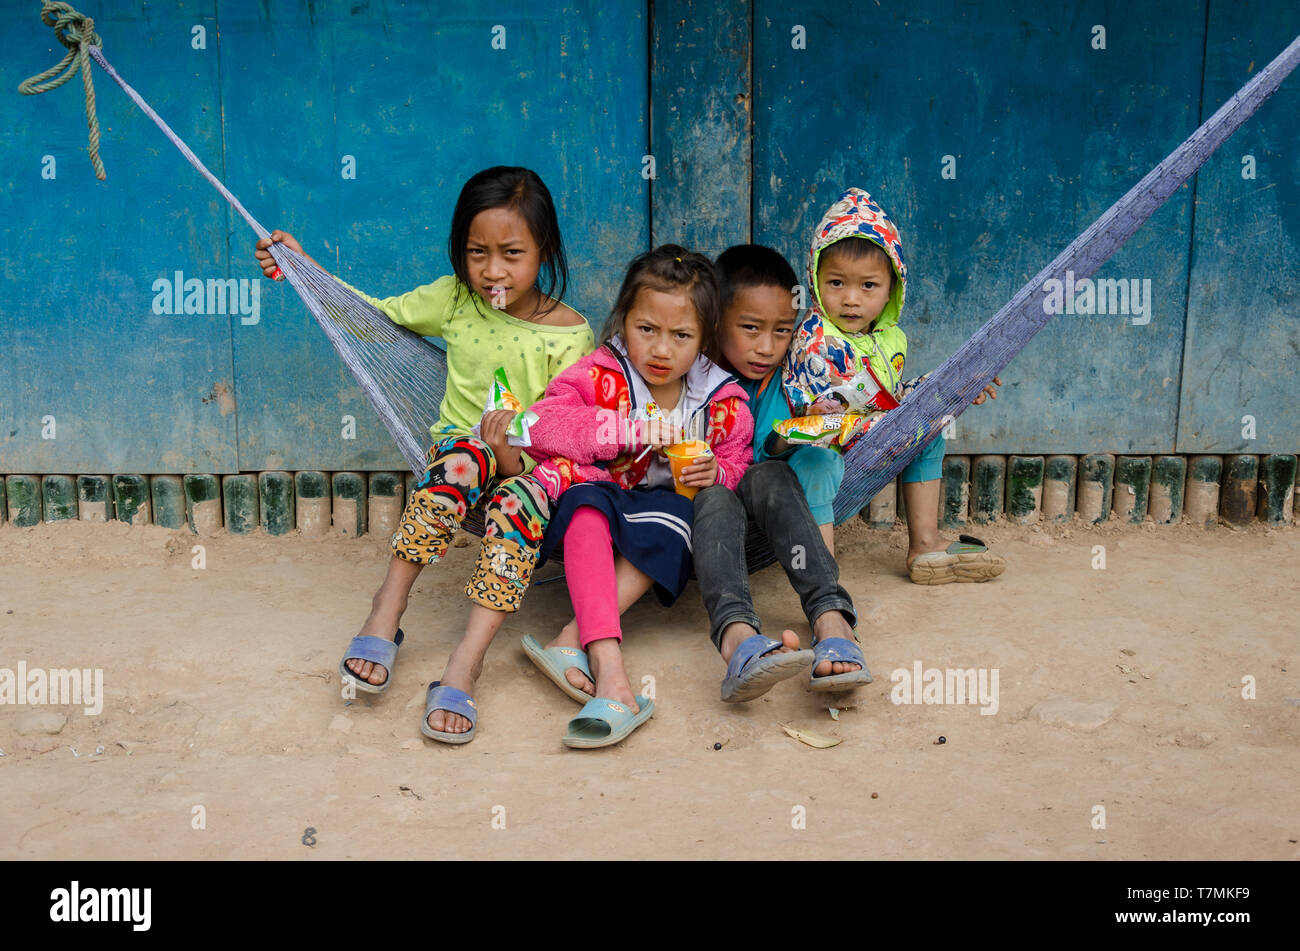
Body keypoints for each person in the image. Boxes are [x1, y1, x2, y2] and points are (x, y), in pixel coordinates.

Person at [254, 166, 593, 744]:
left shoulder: (571, 337)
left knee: (519, 506)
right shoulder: (456, 299)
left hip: (532, 472)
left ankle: (466, 661)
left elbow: (566, 434)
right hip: (461, 453)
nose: (491, 271)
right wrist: (304, 269)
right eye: (475, 252)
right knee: (460, 461)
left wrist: (512, 457)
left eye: (512, 253)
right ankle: (388, 605)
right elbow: (372, 319)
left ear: (545, 249)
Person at [523, 245, 754, 746]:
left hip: (661, 516)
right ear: (624, 320)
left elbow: (739, 460)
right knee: (587, 501)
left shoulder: (721, 400)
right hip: (597, 497)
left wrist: (718, 471)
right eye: (646, 329)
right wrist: (630, 429)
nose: (662, 349)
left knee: (678, 520)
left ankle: (567, 639)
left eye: (682, 336)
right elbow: (540, 425)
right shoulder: (600, 374)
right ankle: (610, 668)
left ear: (705, 341)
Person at [779, 186, 1006, 582]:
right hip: (826, 448)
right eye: (836, 283)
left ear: (891, 289)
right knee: (919, 423)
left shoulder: (888, 338)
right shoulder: (816, 339)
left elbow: (891, 397)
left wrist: (952, 386)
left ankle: (925, 544)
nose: (851, 299)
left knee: (930, 429)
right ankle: (824, 581)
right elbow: (819, 411)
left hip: (873, 436)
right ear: (815, 281)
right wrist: (909, 414)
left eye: (868, 286)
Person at [693, 245, 868, 700]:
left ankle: (831, 618)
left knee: (769, 475)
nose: (767, 347)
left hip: (769, 503)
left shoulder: (792, 376)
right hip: (708, 506)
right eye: (750, 329)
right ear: (714, 320)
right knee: (715, 496)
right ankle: (739, 639)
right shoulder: (691, 375)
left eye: (782, 331)